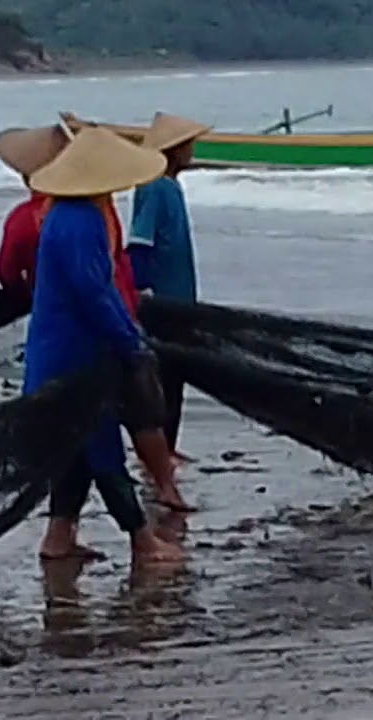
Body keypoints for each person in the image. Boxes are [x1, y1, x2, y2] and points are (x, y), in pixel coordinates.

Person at [0, 126, 194, 513]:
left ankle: (66, 534)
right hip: (88, 342)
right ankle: (150, 513)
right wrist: (127, 335)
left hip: (85, 336)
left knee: (88, 440)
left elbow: (8, 274)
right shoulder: (85, 219)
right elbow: (97, 288)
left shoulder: (39, 217)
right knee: (124, 426)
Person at [128, 112, 211, 460]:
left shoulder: (170, 186)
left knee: (174, 377)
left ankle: (168, 449)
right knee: (165, 379)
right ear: (174, 150)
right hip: (163, 300)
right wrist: (141, 292)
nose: (192, 149)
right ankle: (162, 453)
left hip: (179, 298)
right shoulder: (155, 187)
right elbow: (140, 244)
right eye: (187, 144)